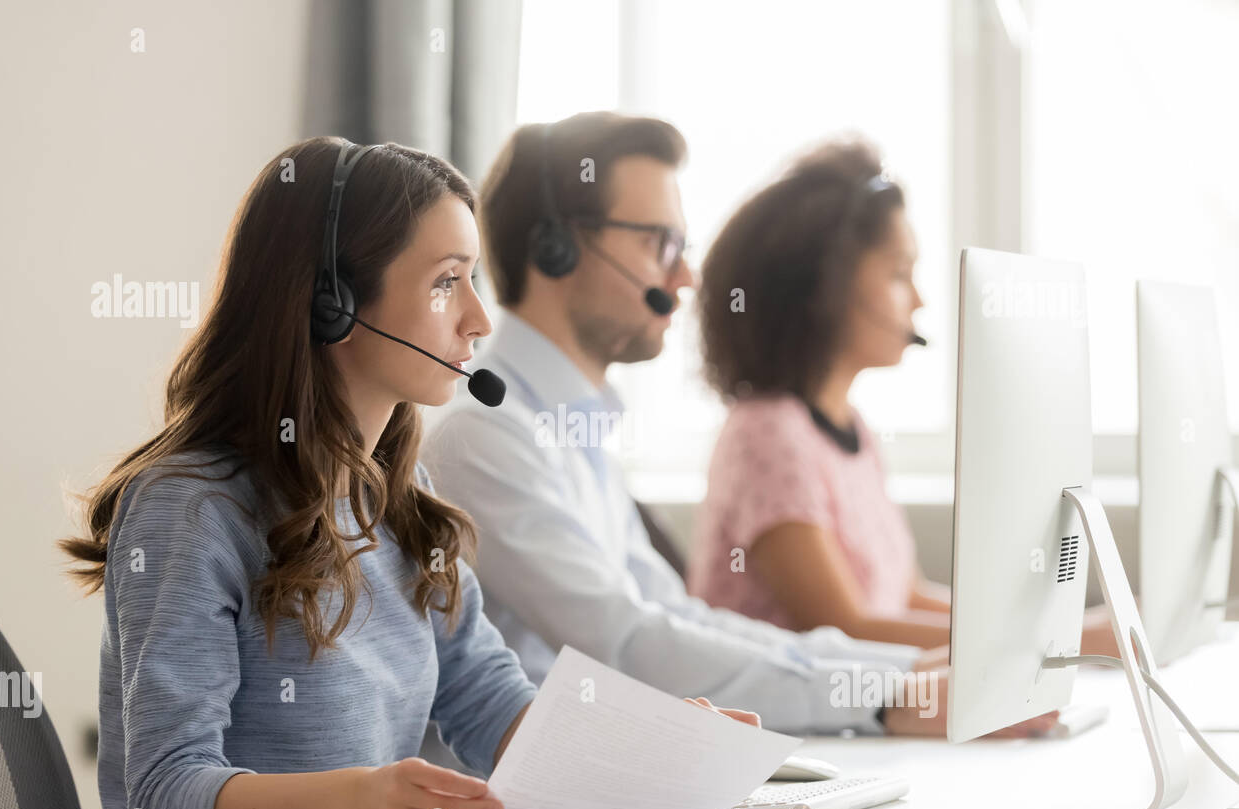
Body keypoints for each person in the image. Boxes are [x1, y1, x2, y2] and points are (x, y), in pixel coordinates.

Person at [59, 137, 756, 809]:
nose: (479, 319)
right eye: (446, 282)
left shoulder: (399, 501)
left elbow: (490, 700)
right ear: (335, 304)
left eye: (474, 278)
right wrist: (359, 801)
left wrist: (655, 747)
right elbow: (163, 799)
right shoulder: (192, 510)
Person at [421, 113, 1049, 740]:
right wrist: (889, 693)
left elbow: (672, 616)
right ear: (554, 249)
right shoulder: (485, 438)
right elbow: (625, 644)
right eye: (657, 244)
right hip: (540, 795)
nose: (685, 277)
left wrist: (904, 671)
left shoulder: (569, 428)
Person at [688, 138, 1117, 655]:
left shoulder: (850, 428)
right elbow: (845, 628)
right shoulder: (767, 434)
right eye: (897, 274)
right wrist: (1057, 641)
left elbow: (903, 597)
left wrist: (1063, 626)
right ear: (823, 288)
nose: (918, 300)